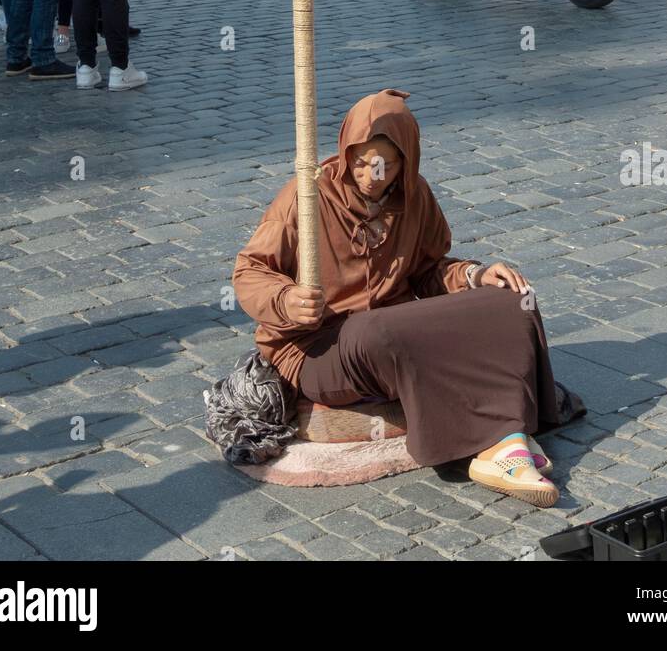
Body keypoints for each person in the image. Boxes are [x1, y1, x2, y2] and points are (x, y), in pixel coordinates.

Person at [234, 88, 562, 505]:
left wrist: (476, 275)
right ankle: (489, 437)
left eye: (385, 164)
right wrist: (286, 299)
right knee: (377, 330)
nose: (372, 173)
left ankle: (502, 442)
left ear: (406, 162)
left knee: (513, 302)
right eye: (362, 160)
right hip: (318, 350)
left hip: (392, 332)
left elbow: (428, 271)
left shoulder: (416, 195)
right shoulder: (305, 196)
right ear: (346, 151)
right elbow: (250, 270)